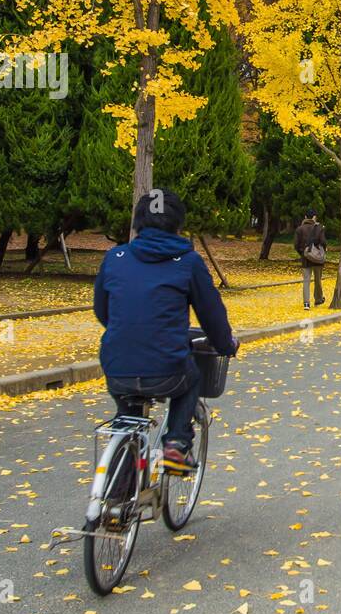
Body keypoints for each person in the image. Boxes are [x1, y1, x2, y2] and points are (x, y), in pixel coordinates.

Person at [93, 189, 237, 473]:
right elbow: (211, 315)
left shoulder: (115, 257)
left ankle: (115, 499)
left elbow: (102, 310)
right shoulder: (188, 262)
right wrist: (225, 345)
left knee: (128, 416)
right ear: (177, 225)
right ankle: (176, 446)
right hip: (166, 368)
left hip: (116, 366)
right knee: (191, 378)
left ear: (138, 222)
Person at [293, 209, 327, 309]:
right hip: (317, 259)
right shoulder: (319, 228)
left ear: (305, 217)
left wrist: (303, 253)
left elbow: (296, 245)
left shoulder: (299, 229)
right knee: (318, 280)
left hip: (305, 259)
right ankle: (318, 300)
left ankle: (306, 303)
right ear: (314, 217)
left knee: (306, 281)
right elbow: (323, 242)